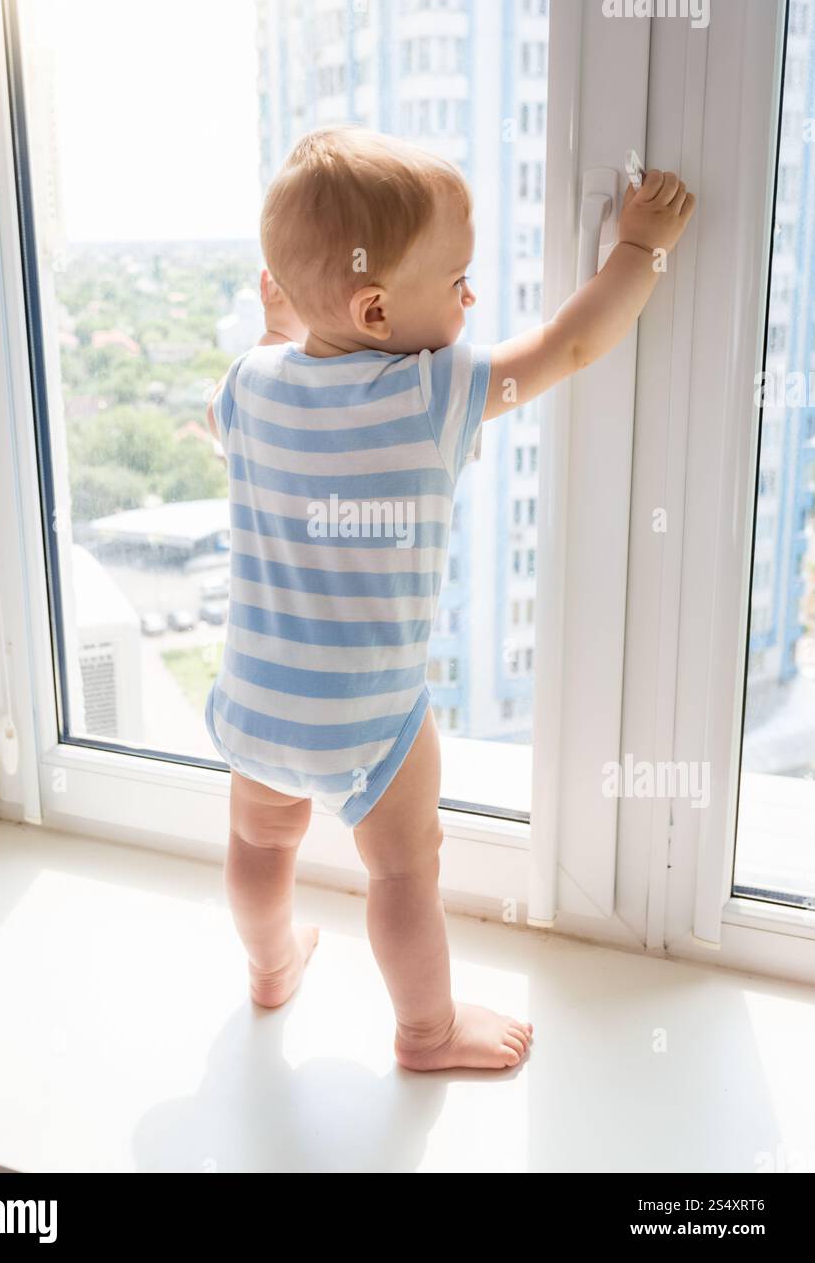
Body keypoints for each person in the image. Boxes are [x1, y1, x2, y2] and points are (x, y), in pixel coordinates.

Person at [205, 126, 695, 1071]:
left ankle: (269, 969)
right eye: (458, 279)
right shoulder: (432, 394)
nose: (472, 296)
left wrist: (282, 330)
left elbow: (240, 420)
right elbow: (572, 344)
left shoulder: (250, 383)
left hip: (257, 704)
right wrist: (639, 248)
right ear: (378, 311)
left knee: (259, 847)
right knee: (401, 870)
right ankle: (425, 1032)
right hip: (368, 717)